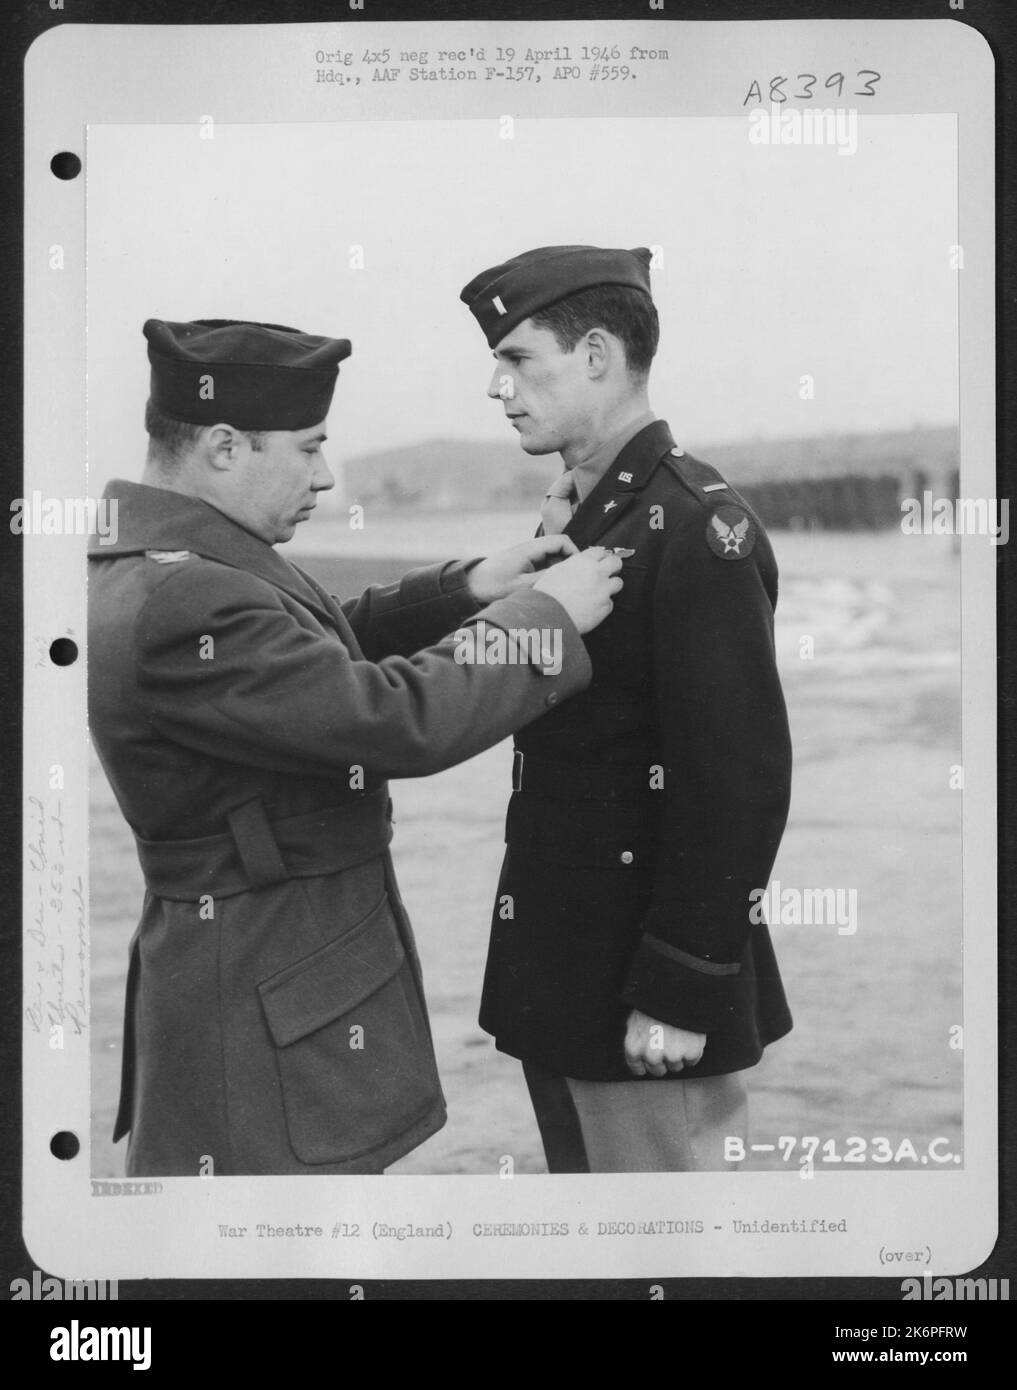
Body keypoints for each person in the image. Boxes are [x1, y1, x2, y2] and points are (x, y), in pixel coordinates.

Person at [88, 316, 623, 1176]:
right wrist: (542, 620)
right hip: (263, 979)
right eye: (308, 449)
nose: (325, 475)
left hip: (247, 959)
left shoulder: (175, 562)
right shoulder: (190, 597)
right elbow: (386, 719)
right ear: (224, 445)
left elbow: (310, 650)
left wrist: (469, 589)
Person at [460, 246, 793, 1172]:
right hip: (567, 969)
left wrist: (682, 986)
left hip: (639, 989)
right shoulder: (580, 514)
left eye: (518, 359)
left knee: (661, 1247)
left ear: (598, 355)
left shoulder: (694, 526)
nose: (498, 386)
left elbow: (736, 779)